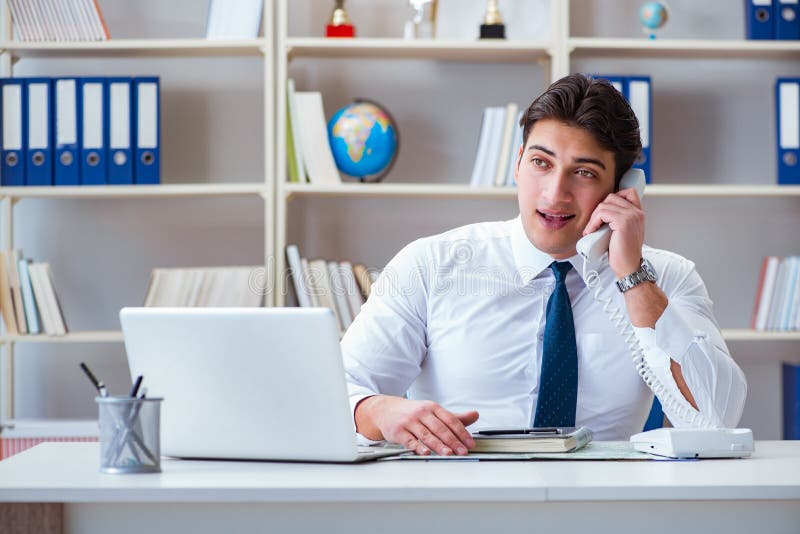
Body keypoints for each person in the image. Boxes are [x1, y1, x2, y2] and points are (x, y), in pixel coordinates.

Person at [340, 73, 747, 457]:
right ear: (518, 163)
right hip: (464, 499)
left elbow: (717, 419)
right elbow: (339, 389)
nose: (555, 193)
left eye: (584, 172)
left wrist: (632, 277)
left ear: (623, 189)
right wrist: (380, 412)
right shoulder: (430, 265)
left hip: (603, 507)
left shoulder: (668, 277)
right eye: (541, 162)